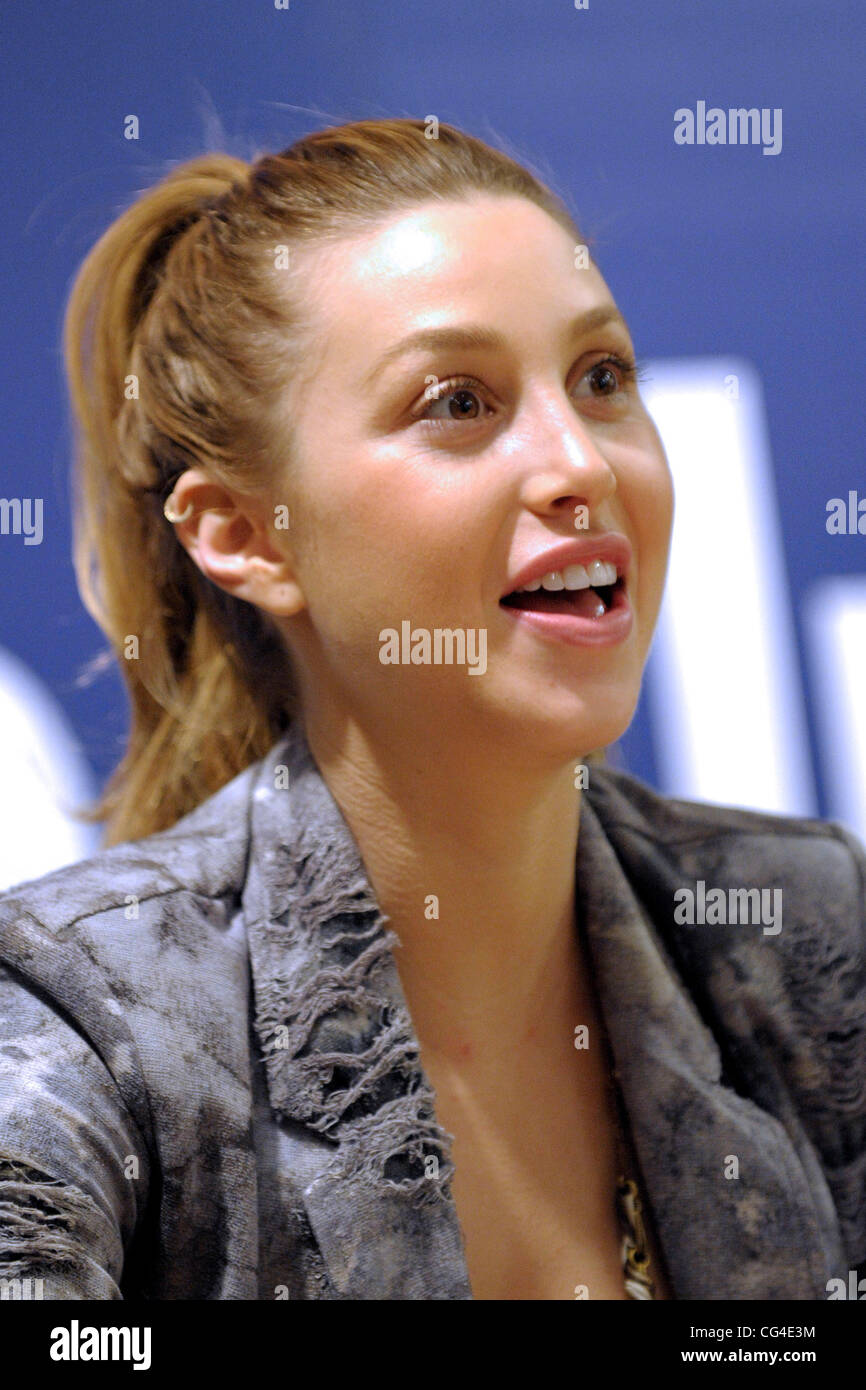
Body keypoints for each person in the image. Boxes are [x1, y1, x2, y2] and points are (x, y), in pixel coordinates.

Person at [0, 117, 863, 1302]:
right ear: (245, 535)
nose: (581, 462)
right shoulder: (81, 1023)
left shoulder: (805, 939)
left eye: (601, 379)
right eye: (457, 401)